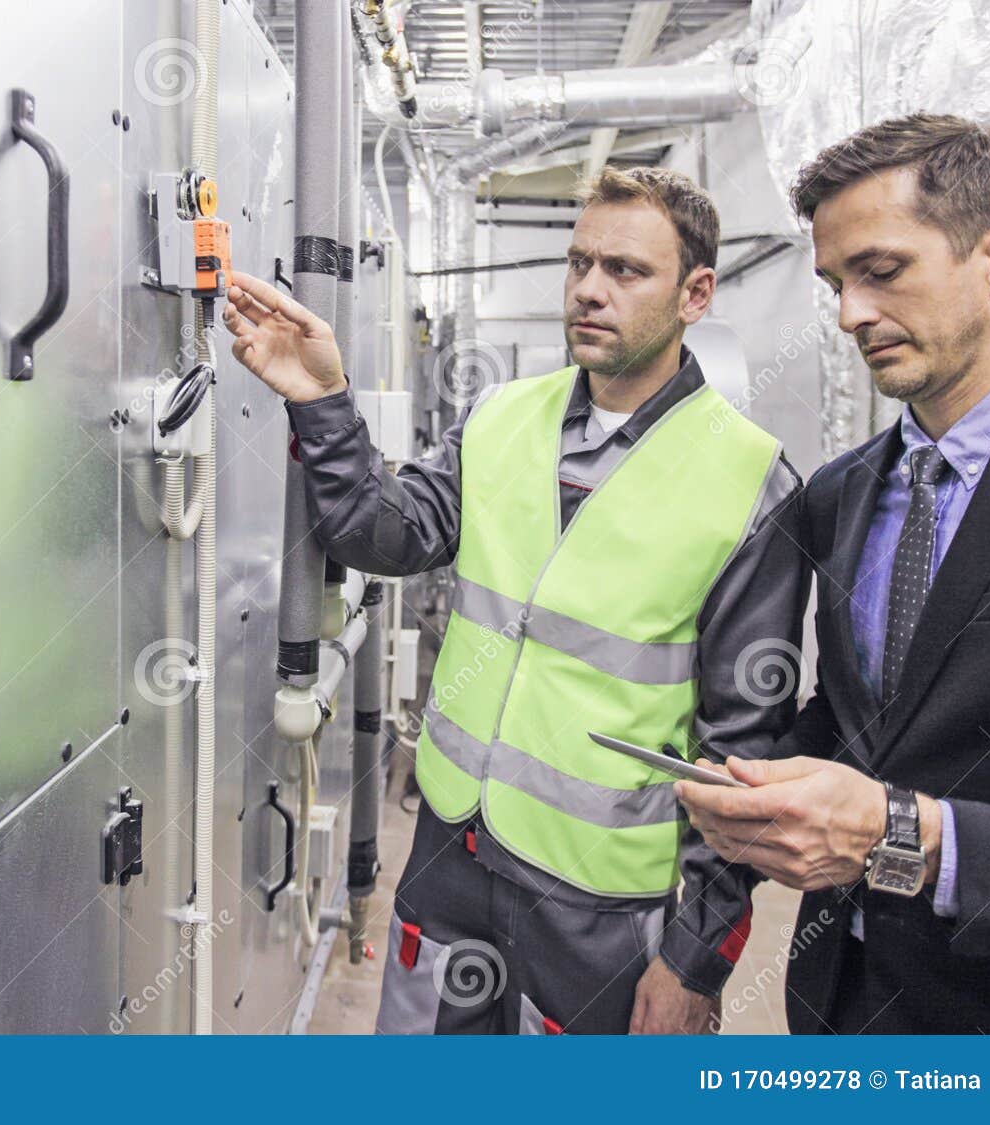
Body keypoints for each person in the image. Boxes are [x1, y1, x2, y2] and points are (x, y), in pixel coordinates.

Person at [223, 166, 809, 1033]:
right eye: (579, 264)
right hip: (449, 858)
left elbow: (740, 754)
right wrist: (323, 401)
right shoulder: (502, 416)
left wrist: (695, 957)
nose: (589, 290)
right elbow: (382, 534)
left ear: (696, 294)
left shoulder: (751, 481)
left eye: (625, 270)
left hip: (595, 905)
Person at [678, 113, 990, 1033]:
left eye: (881, 272)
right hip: (844, 1003)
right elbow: (866, 726)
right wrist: (752, 790)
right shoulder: (840, 495)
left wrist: (920, 841)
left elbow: (894, 806)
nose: (849, 314)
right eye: (836, 283)